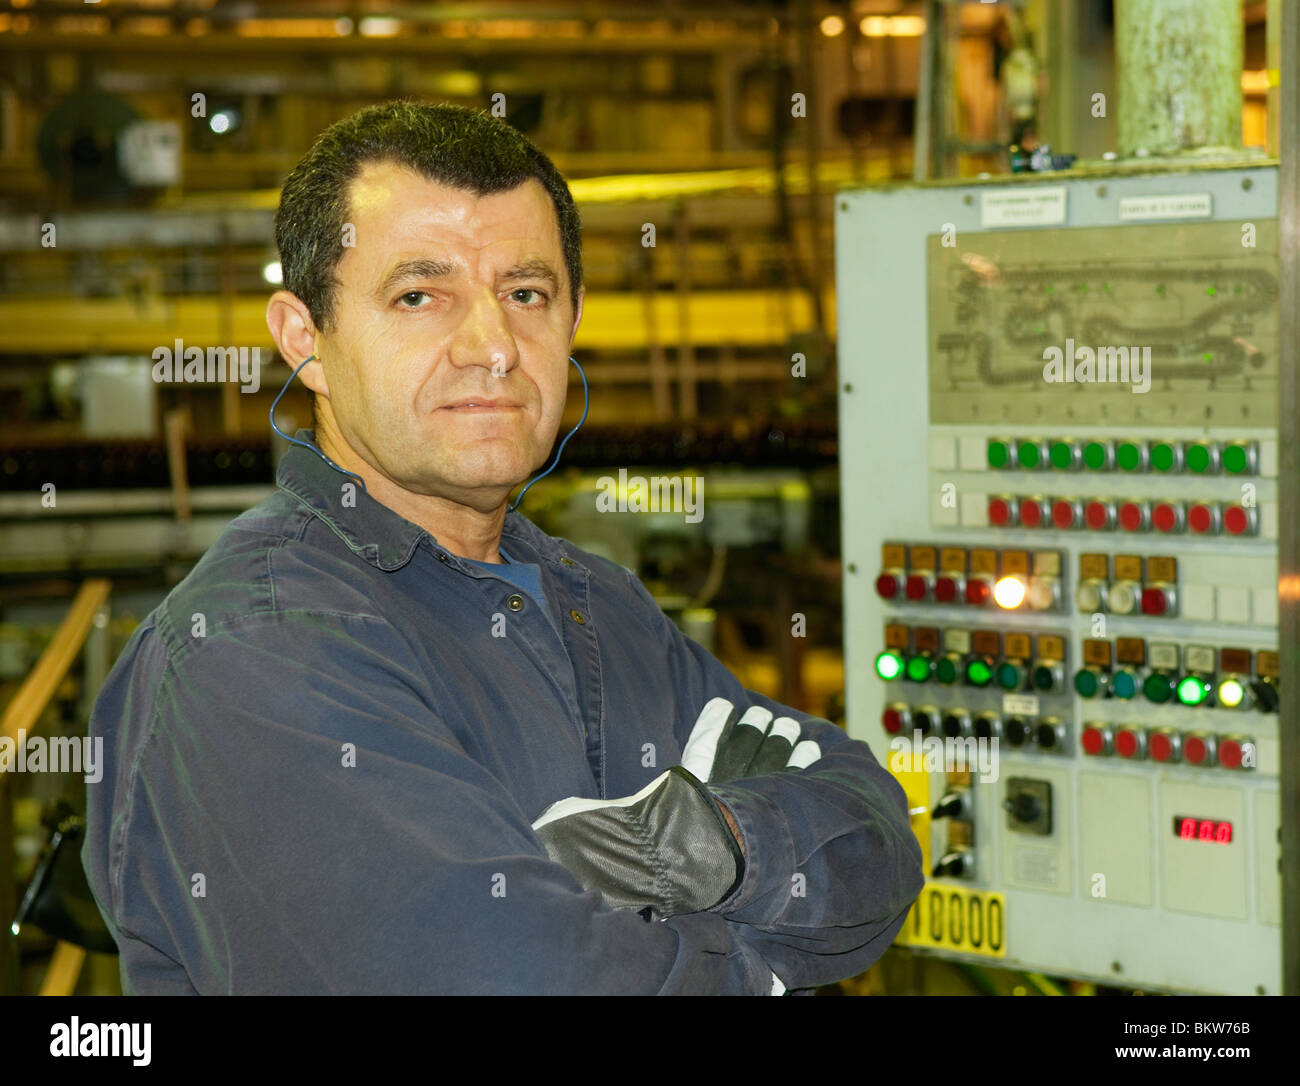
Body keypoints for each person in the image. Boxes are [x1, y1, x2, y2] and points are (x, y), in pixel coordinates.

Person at [82, 101, 923, 995]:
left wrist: (710, 847)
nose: (492, 347)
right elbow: (512, 979)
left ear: (573, 317)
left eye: (526, 294)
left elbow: (872, 830)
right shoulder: (258, 647)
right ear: (306, 341)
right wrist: (761, 966)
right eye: (419, 295)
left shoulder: (602, 608)